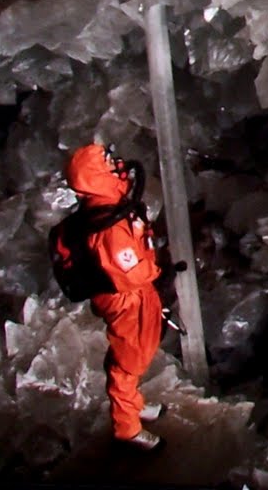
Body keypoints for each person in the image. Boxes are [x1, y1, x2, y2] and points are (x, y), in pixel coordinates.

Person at [62, 143, 167, 452]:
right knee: (127, 362)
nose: (117, 164)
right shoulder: (106, 226)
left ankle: (132, 404)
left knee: (140, 352)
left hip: (137, 294)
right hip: (126, 299)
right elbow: (128, 272)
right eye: (107, 163)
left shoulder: (111, 209)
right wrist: (154, 268)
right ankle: (127, 427)